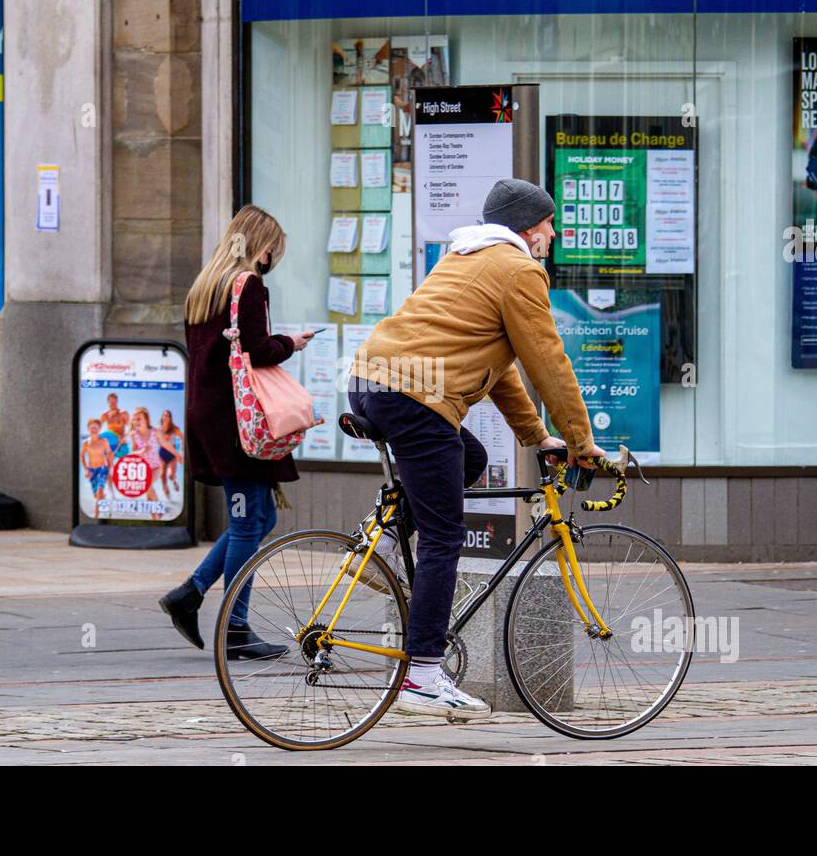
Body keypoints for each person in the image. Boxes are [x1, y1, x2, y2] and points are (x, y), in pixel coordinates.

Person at [348, 178, 606, 719]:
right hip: (417, 397)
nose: (553, 234)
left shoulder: (464, 256)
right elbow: (548, 363)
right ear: (527, 227)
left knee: (471, 459)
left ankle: (385, 542)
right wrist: (582, 444)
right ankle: (421, 672)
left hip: (374, 382)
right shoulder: (518, 270)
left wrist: (538, 436)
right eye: (548, 224)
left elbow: (504, 367)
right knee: (444, 536)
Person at [158, 205, 314, 660]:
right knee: (249, 521)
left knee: (261, 518)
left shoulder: (204, 286)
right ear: (263, 244)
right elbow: (258, 349)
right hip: (239, 422)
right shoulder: (247, 284)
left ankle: (191, 592)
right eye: (274, 250)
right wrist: (292, 343)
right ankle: (236, 627)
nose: (272, 259)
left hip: (212, 415)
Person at [80, 419, 114, 504]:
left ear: (99, 429)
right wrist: (85, 470)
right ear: (88, 429)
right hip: (91, 470)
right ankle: (105, 504)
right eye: (91, 428)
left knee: (99, 491)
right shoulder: (86, 443)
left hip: (102, 469)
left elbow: (110, 453)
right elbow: (81, 456)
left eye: (95, 428)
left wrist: (110, 467)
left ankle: (96, 515)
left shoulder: (104, 441)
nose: (93, 430)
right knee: (97, 495)